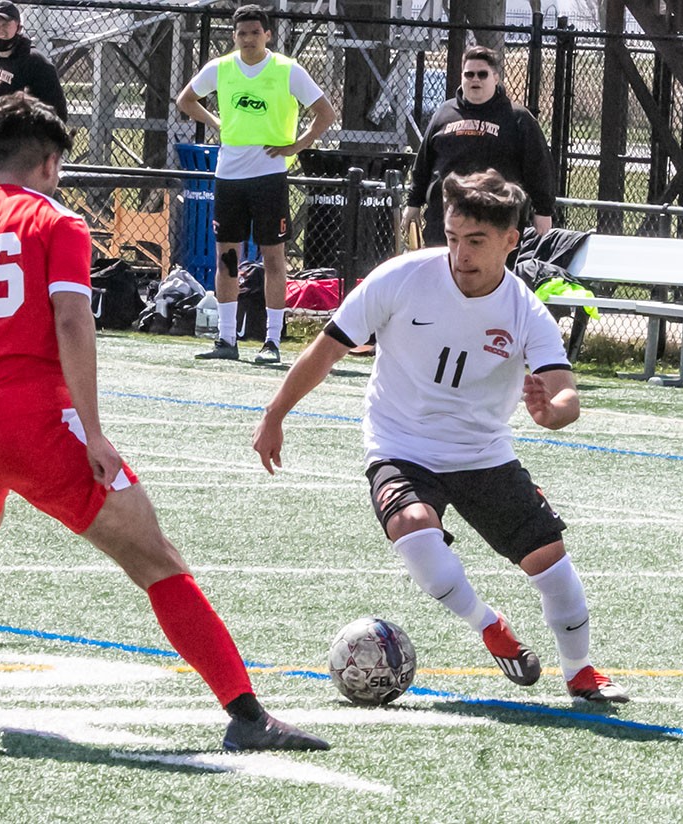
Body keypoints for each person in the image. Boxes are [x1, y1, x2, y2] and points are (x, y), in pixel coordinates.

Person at [0, 91, 329, 753]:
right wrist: (94, 432)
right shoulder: (58, 223)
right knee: (156, 558)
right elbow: (73, 320)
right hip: (38, 430)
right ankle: (247, 715)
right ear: (51, 164)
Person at [254, 169, 628, 704]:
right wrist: (275, 414)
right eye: (452, 238)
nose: (460, 254)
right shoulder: (401, 278)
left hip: (482, 453)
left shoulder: (525, 311)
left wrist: (552, 413)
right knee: (412, 526)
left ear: (510, 240)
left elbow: (565, 393)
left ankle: (581, 671)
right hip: (400, 444)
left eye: (476, 241)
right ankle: (489, 625)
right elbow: (327, 348)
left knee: (550, 563)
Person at [177, 4, 336, 365]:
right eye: (242, 33)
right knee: (227, 258)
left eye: (254, 33)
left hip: (269, 176)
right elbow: (185, 100)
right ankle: (226, 337)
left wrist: (297, 145)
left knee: (273, 258)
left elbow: (325, 113)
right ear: (234, 36)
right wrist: (216, 123)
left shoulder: (287, 70)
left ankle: (272, 340)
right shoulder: (220, 68)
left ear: (267, 35)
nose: (248, 39)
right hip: (229, 175)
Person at [401, 45, 555, 249]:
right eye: (469, 74)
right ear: (462, 77)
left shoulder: (518, 118)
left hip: (496, 224)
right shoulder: (444, 113)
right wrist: (413, 203)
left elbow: (539, 168)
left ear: (496, 78)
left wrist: (543, 211)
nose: (475, 79)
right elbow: (423, 164)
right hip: (444, 223)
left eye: (482, 74)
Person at [0, 1, 67, 188]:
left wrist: (36, 151)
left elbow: (57, 113)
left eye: (5, 25)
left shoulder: (35, 61)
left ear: (18, 27)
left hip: (21, 163)